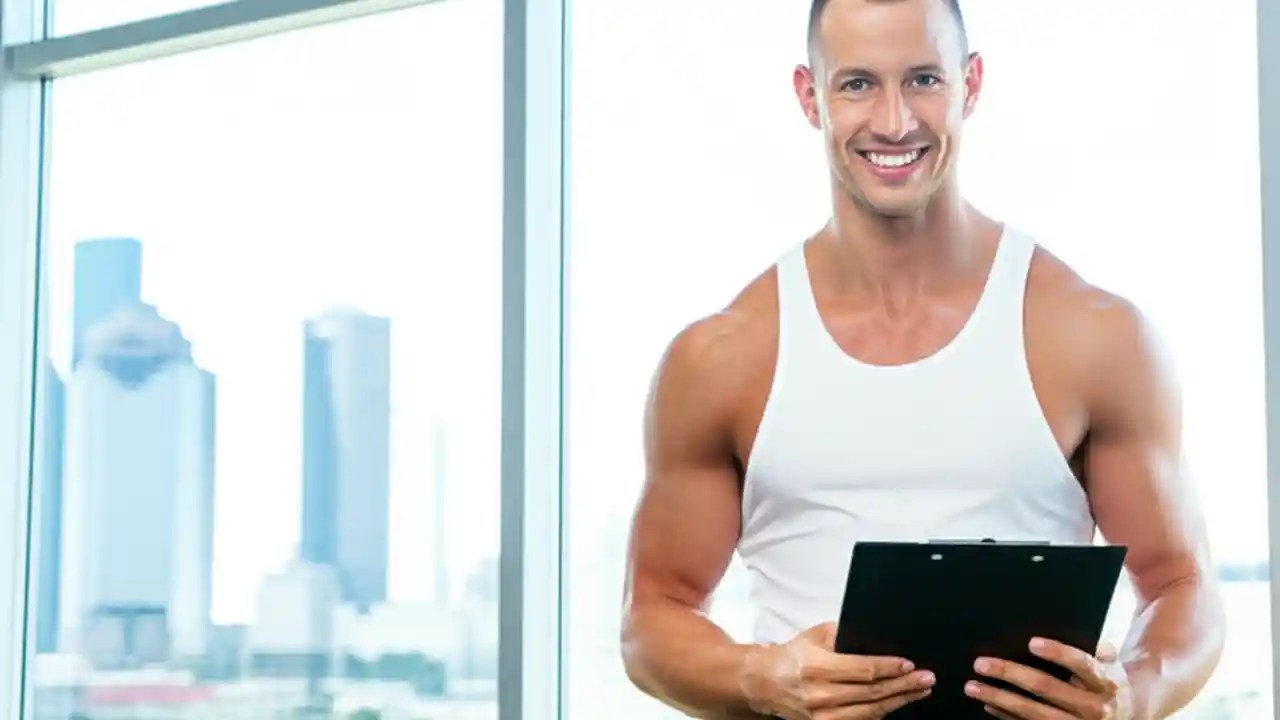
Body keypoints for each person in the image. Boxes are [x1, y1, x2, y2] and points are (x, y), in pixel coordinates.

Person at [619, 0, 1227, 718]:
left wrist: (1132, 698)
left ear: (970, 86)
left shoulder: (1093, 336)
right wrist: (761, 677)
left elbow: (1184, 586)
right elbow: (652, 617)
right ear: (809, 97)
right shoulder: (721, 357)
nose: (894, 121)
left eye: (923, 80)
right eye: (856, 85)